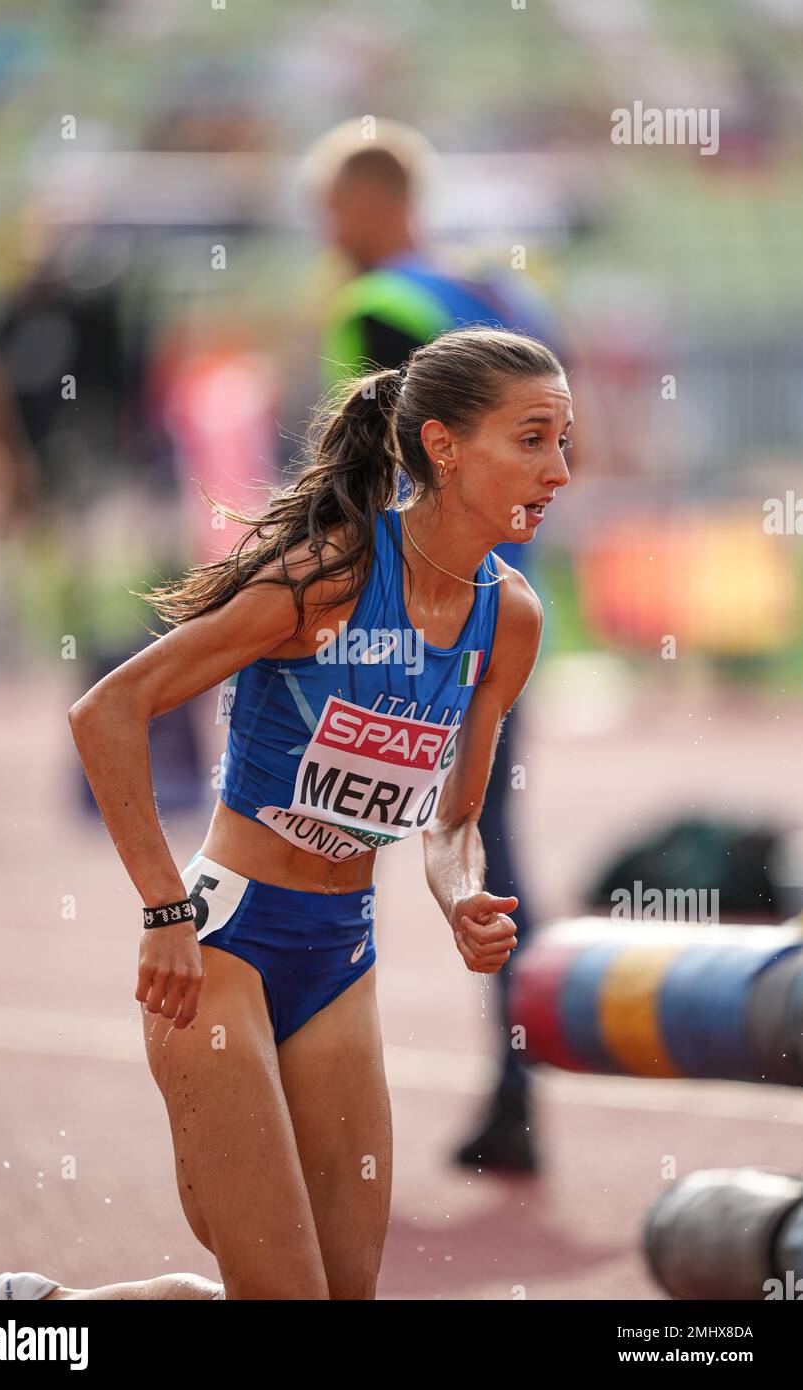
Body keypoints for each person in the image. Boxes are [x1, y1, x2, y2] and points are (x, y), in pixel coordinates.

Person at [0, 326, 572, 1301]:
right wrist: (164, 907)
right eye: (532, 438)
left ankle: (55, 1313)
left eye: (563, 441)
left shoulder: (509, 618)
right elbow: (109, 711)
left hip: (340, 954)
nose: (558, 469)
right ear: (441, 446)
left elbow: (452, 822)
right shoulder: (330, 574)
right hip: (222, 949)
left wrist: (460, 895)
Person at [304, 118, 573, 1170]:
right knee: (484, 848)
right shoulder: (498, 297)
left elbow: (372, 472)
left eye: (331, 209)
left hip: (403, 615)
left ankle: (314, 1113)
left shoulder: (378, 306)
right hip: (505, 606)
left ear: (371, 203)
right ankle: (518, 1092)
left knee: (315, 844)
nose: (326, 231)